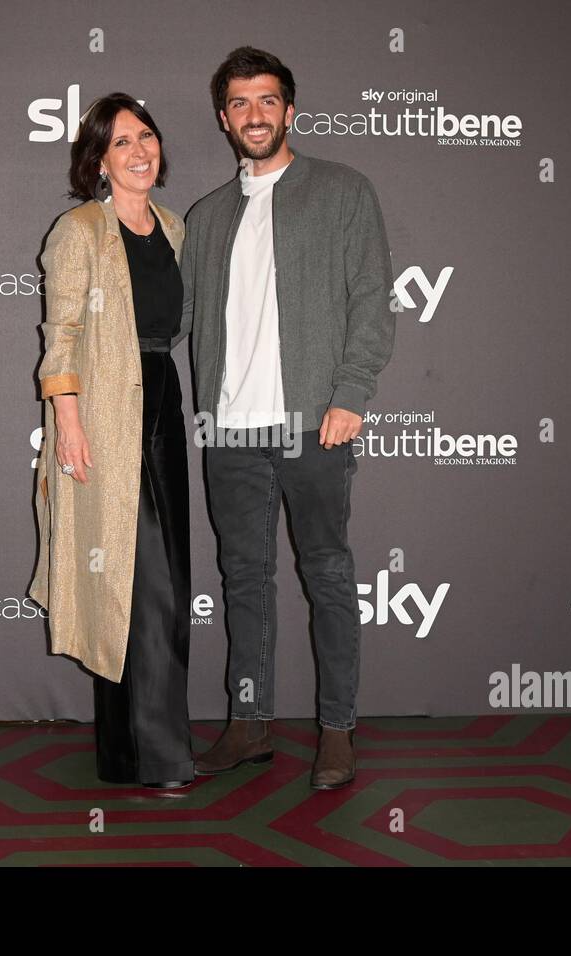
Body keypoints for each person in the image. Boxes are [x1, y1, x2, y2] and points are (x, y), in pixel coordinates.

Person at [179, 48, 396, 789]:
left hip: (313, 425)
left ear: (290, 110)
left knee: (328, 575)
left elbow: (372, 298)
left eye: (267, 100)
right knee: (244, 580)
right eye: (240, 103)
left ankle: (337, 731)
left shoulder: (342, 192)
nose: (255, 114)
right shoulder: (206, 218)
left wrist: (350, 393)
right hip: (230, 433)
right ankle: (249, 726)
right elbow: (174, 321)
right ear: (224, 119)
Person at [28, 93, 193, 789]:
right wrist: (69, 423)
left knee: (166, 579)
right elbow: (59, 332)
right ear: (98, 160)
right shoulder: (79, 230)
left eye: (147, 137)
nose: (139, 151)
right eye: (122, 142)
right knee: (132, 582)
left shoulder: (175, 226)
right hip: (100, 412)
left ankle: (123, 755)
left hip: (162, 396)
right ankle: (156, 756)